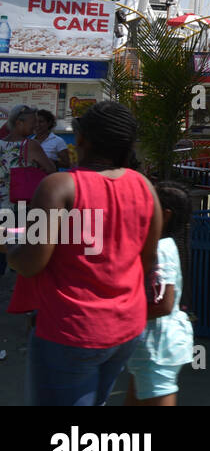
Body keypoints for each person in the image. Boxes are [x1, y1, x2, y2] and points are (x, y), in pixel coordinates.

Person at [0, 100, 162, 405]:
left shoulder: (58, 187)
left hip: (70, 330)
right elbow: (146, 261)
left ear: (82, 140)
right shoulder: (144, 187)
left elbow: (31, 262)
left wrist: (9, 246)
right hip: (126, 328)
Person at [126, 182, 194, 406]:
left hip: (157, 347)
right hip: (152, 346)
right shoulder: (162, 246)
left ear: (164, 216)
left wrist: (119, 314)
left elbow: (164, 304)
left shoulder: (160, 250)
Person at [3, 105, 56, 205]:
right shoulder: (30, 145)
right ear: (19, 123)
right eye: (33, 122)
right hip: (20, 206)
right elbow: (51, 169)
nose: (36, 125)